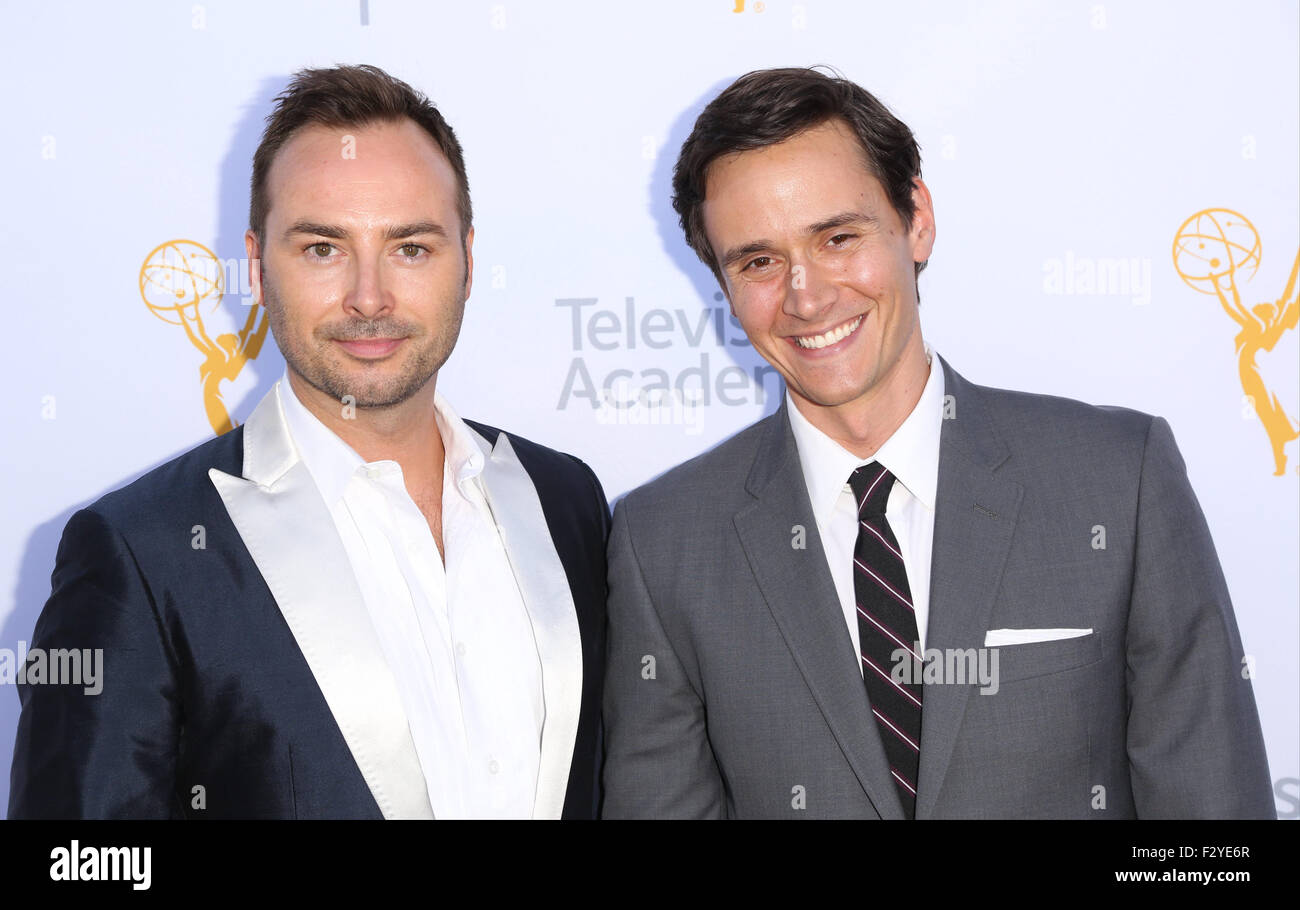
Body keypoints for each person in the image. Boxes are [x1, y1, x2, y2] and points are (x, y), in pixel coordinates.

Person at [601, 67, 1275, 819]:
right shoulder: (663, 542)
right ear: (723, 284)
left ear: (915, 218)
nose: (807, 294)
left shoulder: (1120, 480)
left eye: (838, 237)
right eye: (758, 261)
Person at [9, 64, 608, 819]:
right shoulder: (140, 549)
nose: (369, 296)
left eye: (411, 248)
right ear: (258, 271)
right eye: (323, 248)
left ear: (468, 261)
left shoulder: (565, 498)